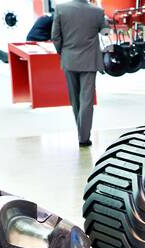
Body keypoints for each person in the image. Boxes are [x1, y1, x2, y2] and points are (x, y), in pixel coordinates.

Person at [52, 0, 107, 147]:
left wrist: (62, 52)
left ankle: (81, 131)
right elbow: (105, 33)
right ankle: (83, 137)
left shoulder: (61, 9)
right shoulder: (97, 12)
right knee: (87, 100)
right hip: (89, 61)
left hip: (69, 59)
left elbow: (55, 36)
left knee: (75, 99)